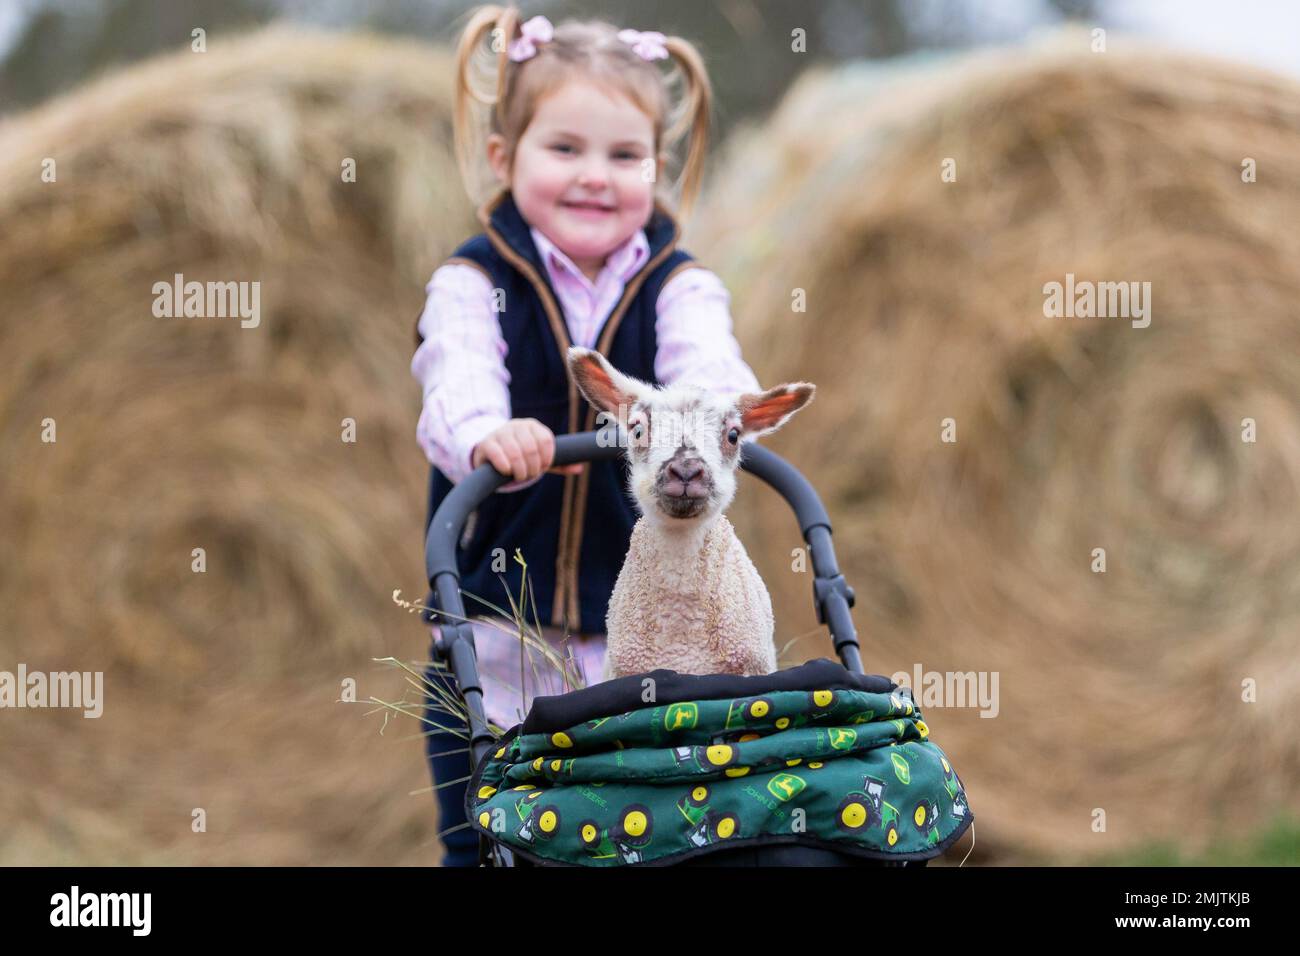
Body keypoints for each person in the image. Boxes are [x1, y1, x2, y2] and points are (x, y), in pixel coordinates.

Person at [410, 5, 761, 866]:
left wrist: (718, 412)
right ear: (505, 157)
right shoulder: (474, 279)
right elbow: (453, 376)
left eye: (624, 155)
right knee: (488, 840)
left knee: (644, 840)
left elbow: (708, 365)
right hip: (495, 644)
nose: (594, 177)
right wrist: (488, 433)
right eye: (564, 149)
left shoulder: (677, 285)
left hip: (641, 642)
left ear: (659, 165)